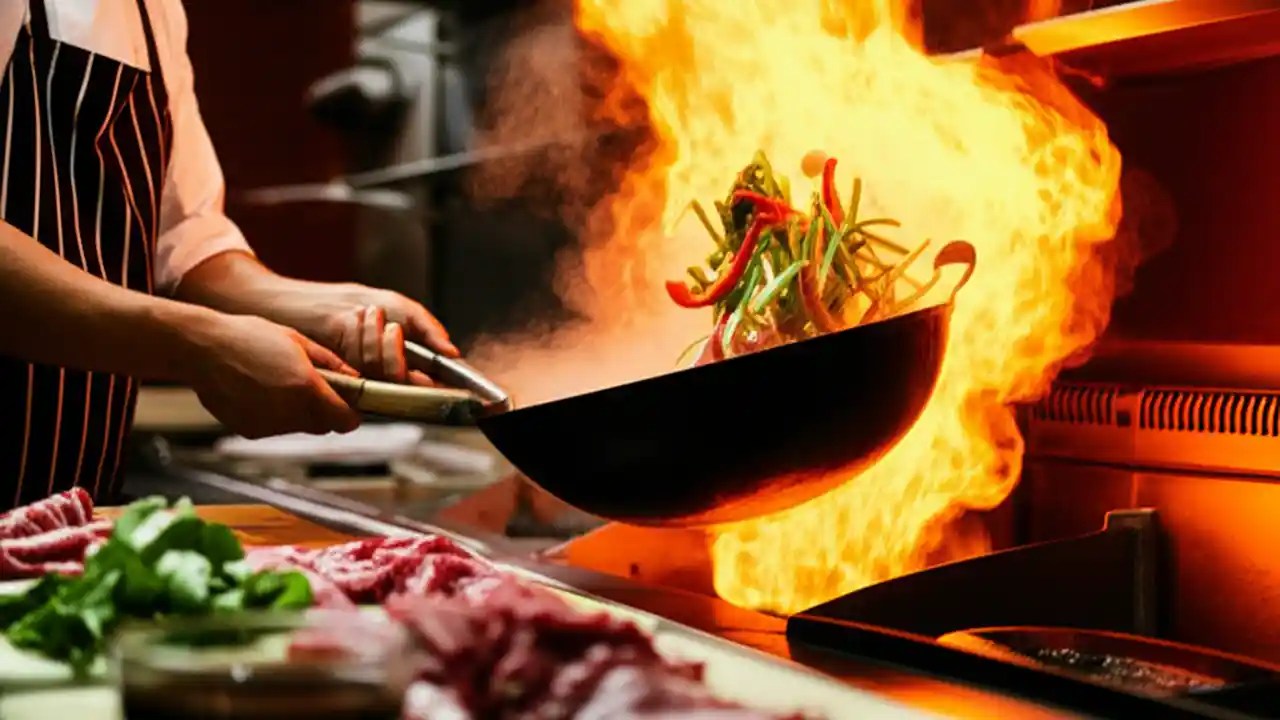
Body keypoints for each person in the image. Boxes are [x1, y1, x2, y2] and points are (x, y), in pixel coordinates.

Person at [0, 0, 458, 510]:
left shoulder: (154, 10)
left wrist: (340, 310)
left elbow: (186, 241)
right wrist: (198, 346)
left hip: (63, 515)